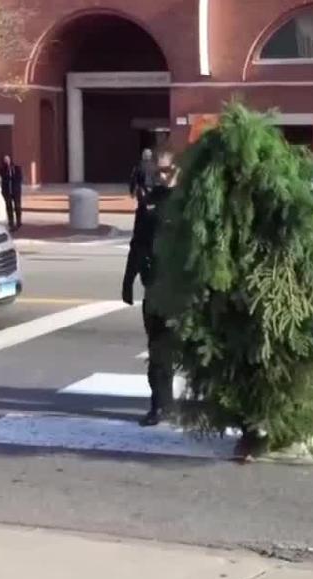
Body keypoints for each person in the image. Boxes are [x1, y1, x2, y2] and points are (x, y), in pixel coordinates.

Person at [122, 150, 180, 427]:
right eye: (157, 172)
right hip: (154, 286)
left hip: (180, 288)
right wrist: (128, 279)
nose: (161, 176)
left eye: (166, 171)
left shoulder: (188, 203)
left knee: (186, 349)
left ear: (177, 171)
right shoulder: (148, 203)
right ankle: (160, 405)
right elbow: (137, 243)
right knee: (158, 350)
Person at [0, 154, 24, 231]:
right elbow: (2, 177)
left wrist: (12, 178)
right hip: (7, 190)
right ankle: (11, 222)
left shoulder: (16, 168)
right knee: (9, 206)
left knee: (17, 206)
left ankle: (19, 221)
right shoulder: (2, 168)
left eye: (8, 159)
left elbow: (19, 178)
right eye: (5, 159)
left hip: (15, 190)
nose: (7, 160)